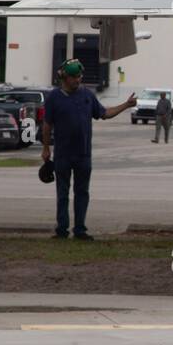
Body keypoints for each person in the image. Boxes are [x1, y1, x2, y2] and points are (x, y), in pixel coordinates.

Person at [40, 59, 136, 240]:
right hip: (62, 154)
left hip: (84, 154)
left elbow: (104, 113)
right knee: (62, 193)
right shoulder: (54, 98)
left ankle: (80, 230)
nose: (79, 79)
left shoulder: (87, 95)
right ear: (64, 77)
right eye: (75, 76)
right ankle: (62, 230)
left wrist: (126, 104)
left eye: (80, 76)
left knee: (82, 192)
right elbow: (47, 125)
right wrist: (46, 148)